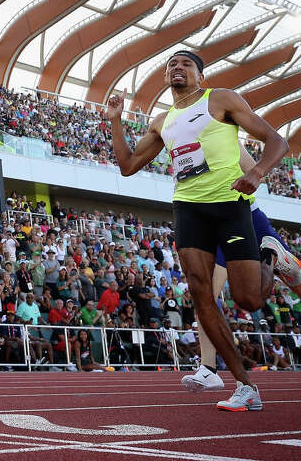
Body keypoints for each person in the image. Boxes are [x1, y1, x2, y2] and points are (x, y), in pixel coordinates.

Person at [107, 50, 288, 412]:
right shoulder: (162, 121)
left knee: (249, 300)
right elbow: (127, 165)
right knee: (201, 296)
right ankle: (245, 385)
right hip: (188, 209)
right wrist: (115, 121)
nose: (177, 67)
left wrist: (256, 173)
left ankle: (271, 256)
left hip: (229, 204)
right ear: (166, 77)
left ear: (200, 76)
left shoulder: (219, 99)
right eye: (171, 64)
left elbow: (276, 141)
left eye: (186, 63)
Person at [180, 146, 301, 393]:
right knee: (205, 295)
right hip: (214, 226)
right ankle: (208, 369)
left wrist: (227, 177)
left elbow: (255, 171)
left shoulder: (224, 134)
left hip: (247, 219)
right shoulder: (179, 137)